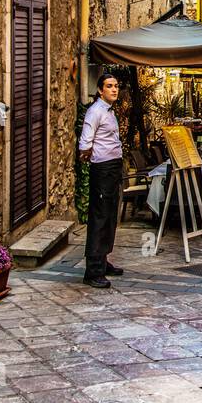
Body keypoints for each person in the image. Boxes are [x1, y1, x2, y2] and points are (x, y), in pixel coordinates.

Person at [77, 73, 124, 289]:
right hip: (103, 169)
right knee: (100, 217)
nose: (114, 89)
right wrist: (95, 162)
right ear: (100, 90)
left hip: (112, 167)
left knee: (110, 215)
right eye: (109, 86)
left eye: (116, 86)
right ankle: (93, 270)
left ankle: (103, 261)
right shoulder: (95, 111)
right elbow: (85, 142)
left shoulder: (109, 111)